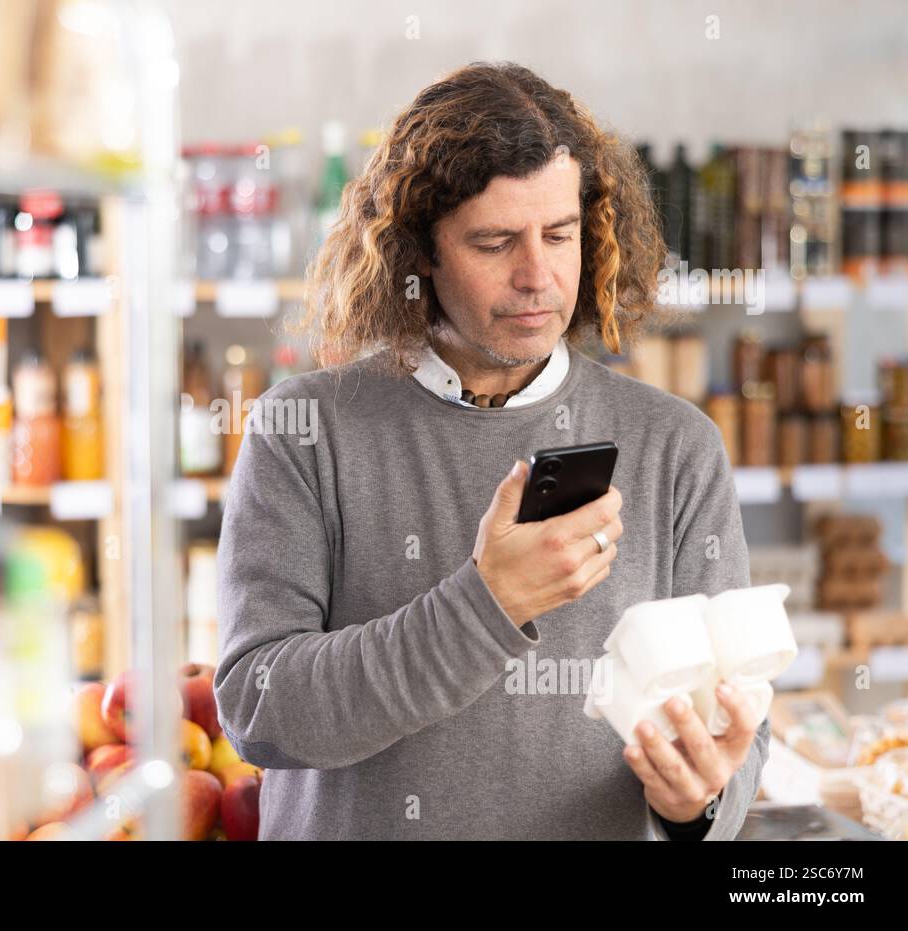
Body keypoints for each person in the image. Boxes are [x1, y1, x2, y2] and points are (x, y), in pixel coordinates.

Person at [212, 61, 768, 840]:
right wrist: (488, 603)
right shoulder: (303, 432)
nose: (537, 276)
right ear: (421, 254)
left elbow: (732, 723)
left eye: (561, 234)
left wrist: (697, 803)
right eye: (495, 241)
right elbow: (258, 709)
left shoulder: (676, 446)